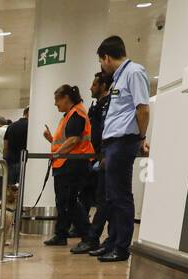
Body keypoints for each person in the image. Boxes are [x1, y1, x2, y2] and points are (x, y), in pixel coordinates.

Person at [94, 35, 150, 262]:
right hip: (112, 143)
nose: (101, 65)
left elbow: (143, 109)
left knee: (120, 196)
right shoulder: (120, 77)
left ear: (106, 57)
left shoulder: (134, 72)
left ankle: (121, 247)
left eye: (100, 60)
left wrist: (141, 137)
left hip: (123, 141)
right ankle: (111, 242)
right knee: (111, 196)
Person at [42, 86, 93, 247]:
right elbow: (65, 141)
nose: (55, 104)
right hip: (65, 163)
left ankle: (88, 236)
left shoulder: (76, 114)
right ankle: (61, 234)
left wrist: (57, 154)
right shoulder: (69, 115)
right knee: (63, 201)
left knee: (69, 201)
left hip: (72, 164)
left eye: (57, 100)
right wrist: (51, 140)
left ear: (66, 98)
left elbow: (73, 140)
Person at [73, 72, 113, 255]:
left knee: (105, 199)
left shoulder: (110, 105)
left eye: (94, 84)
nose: (90, 88)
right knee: (90, 196)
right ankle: (92, 235)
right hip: (94, 157)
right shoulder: (96, 107)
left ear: (103, 85)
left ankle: (94, 237)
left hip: (105, 156)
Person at [3, 107, 29, 188]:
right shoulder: (30, 126)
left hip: (10, 160)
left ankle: (9, 201)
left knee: (10, 187)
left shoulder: (11, 126)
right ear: (28, 113)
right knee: (21, 187)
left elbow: (5, 144)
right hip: (23, 161)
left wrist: (4, 158)